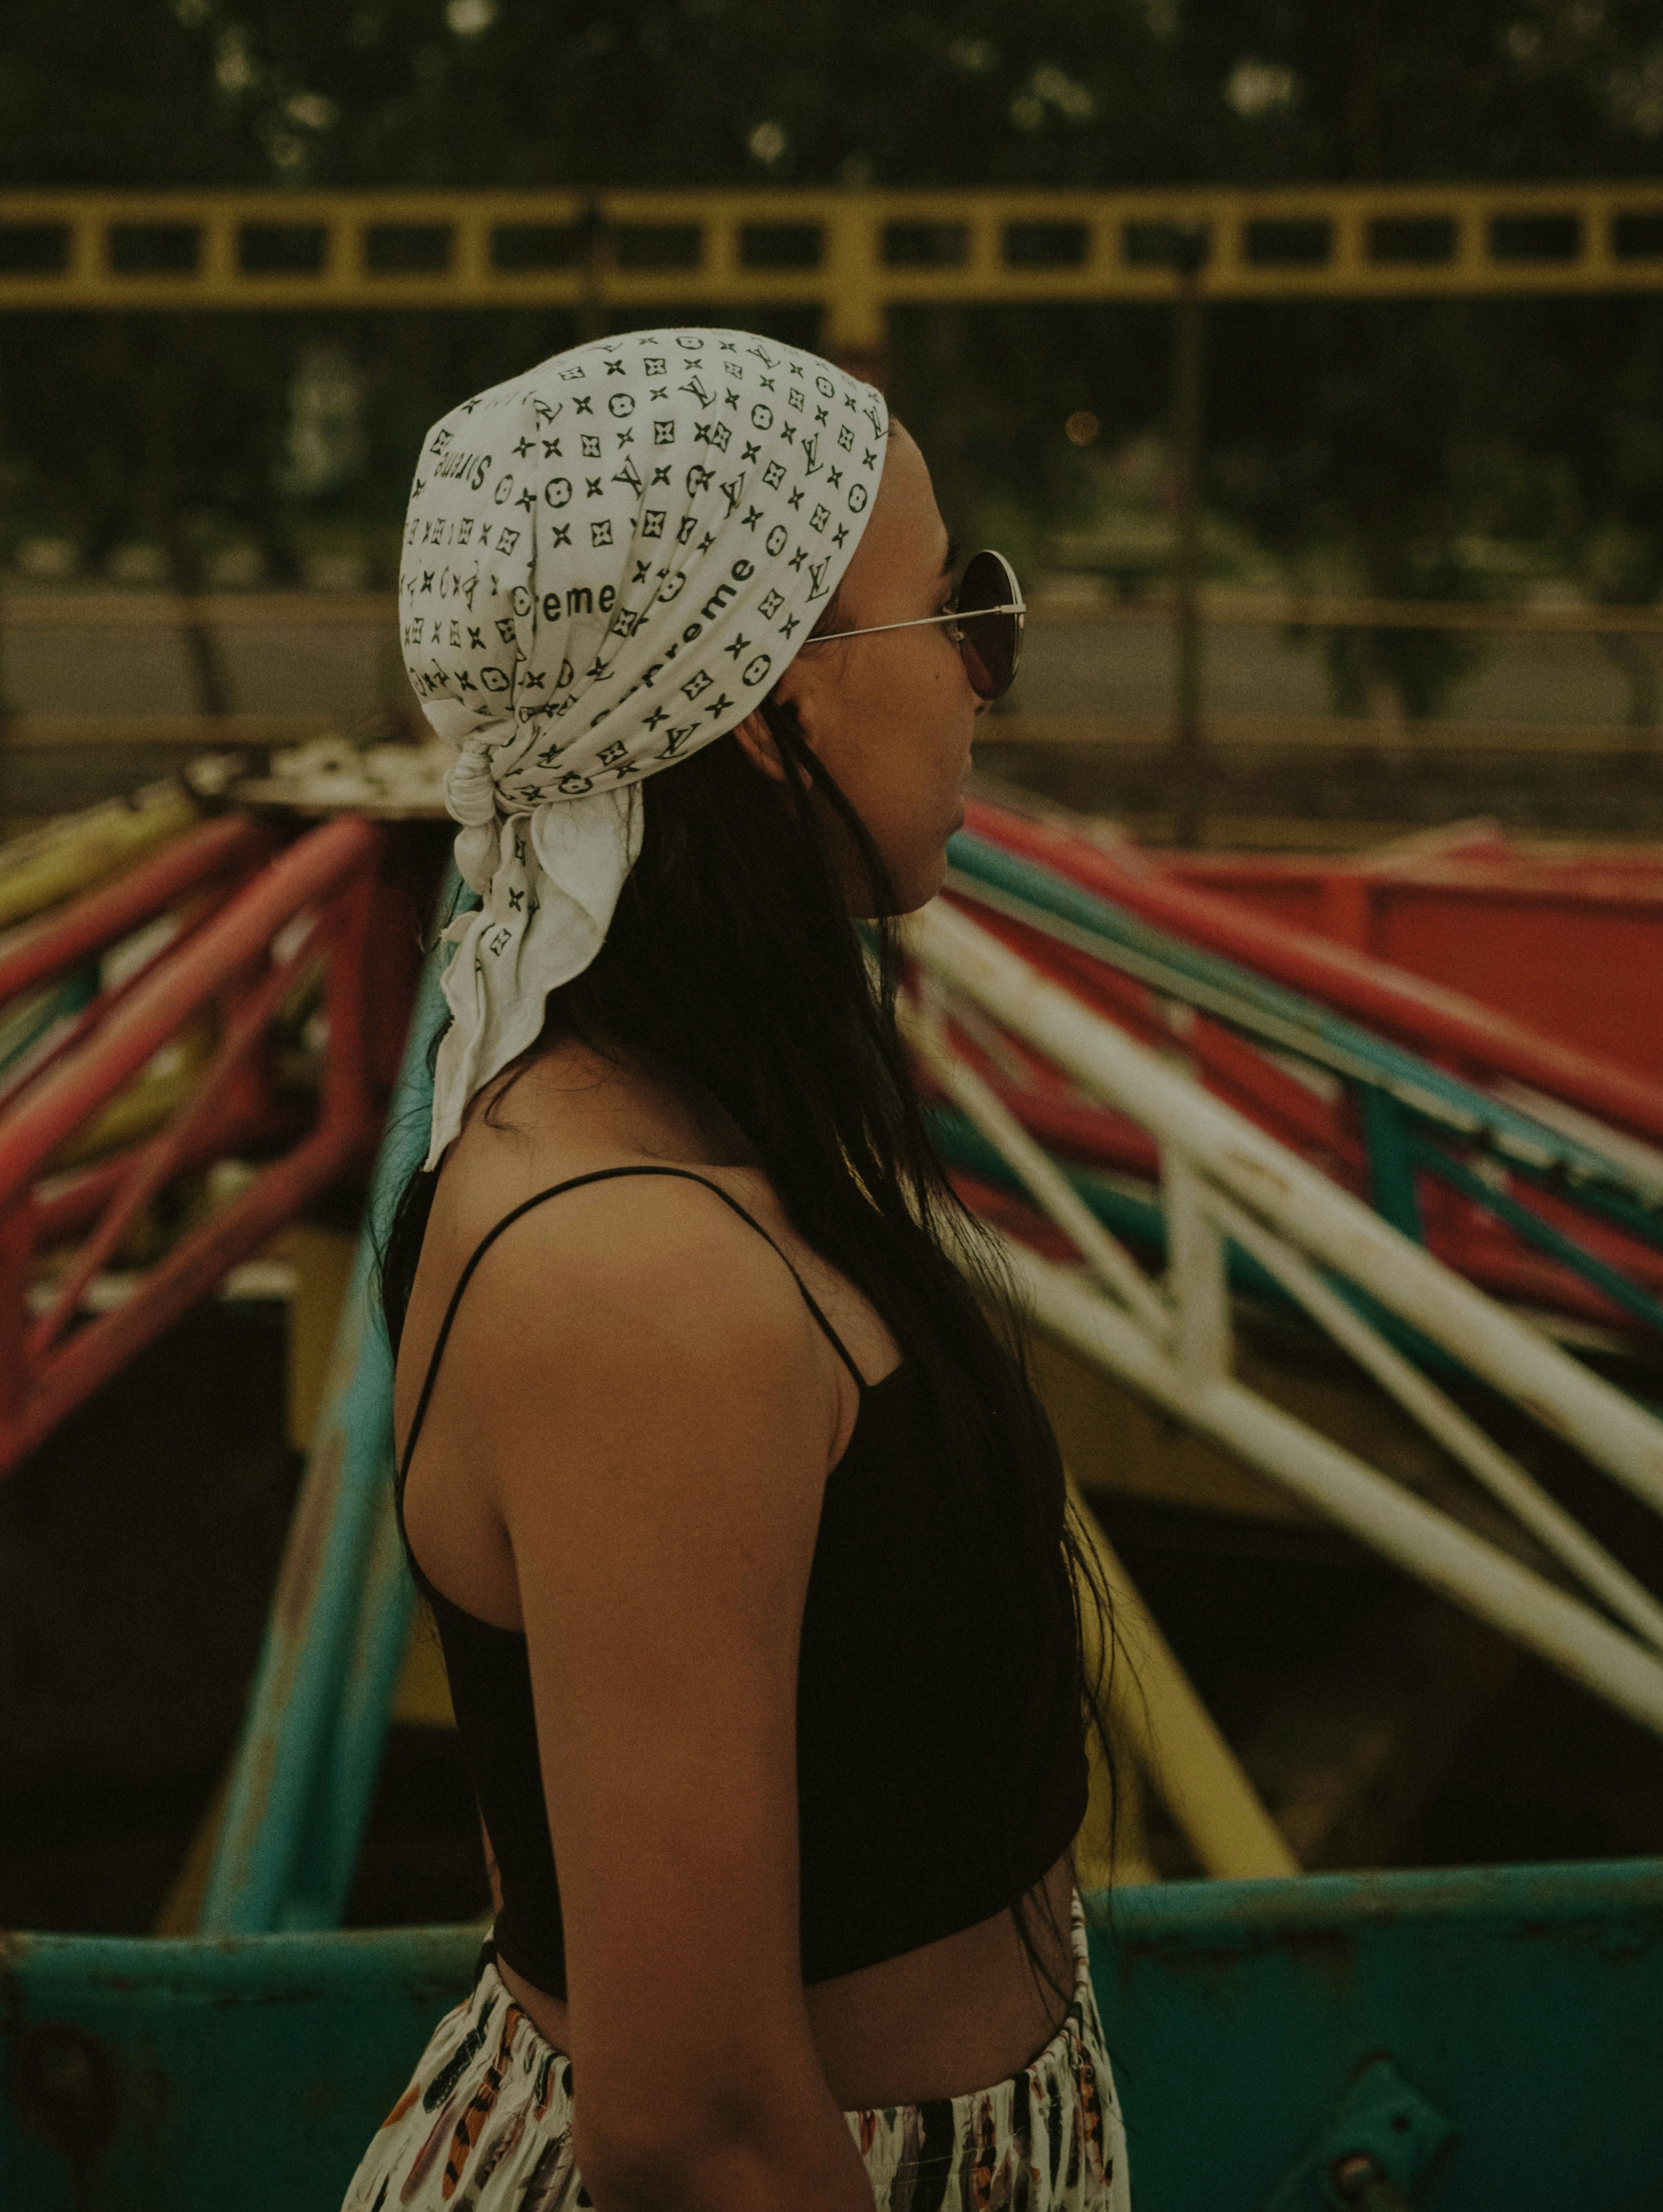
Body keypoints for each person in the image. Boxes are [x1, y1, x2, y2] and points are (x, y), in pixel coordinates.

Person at [345, 326, 1127, 2211]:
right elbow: (687, 2126)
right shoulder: (639, 1274)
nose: (979, 678)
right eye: (955, 612)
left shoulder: (646, 1135)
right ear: (763, 695)